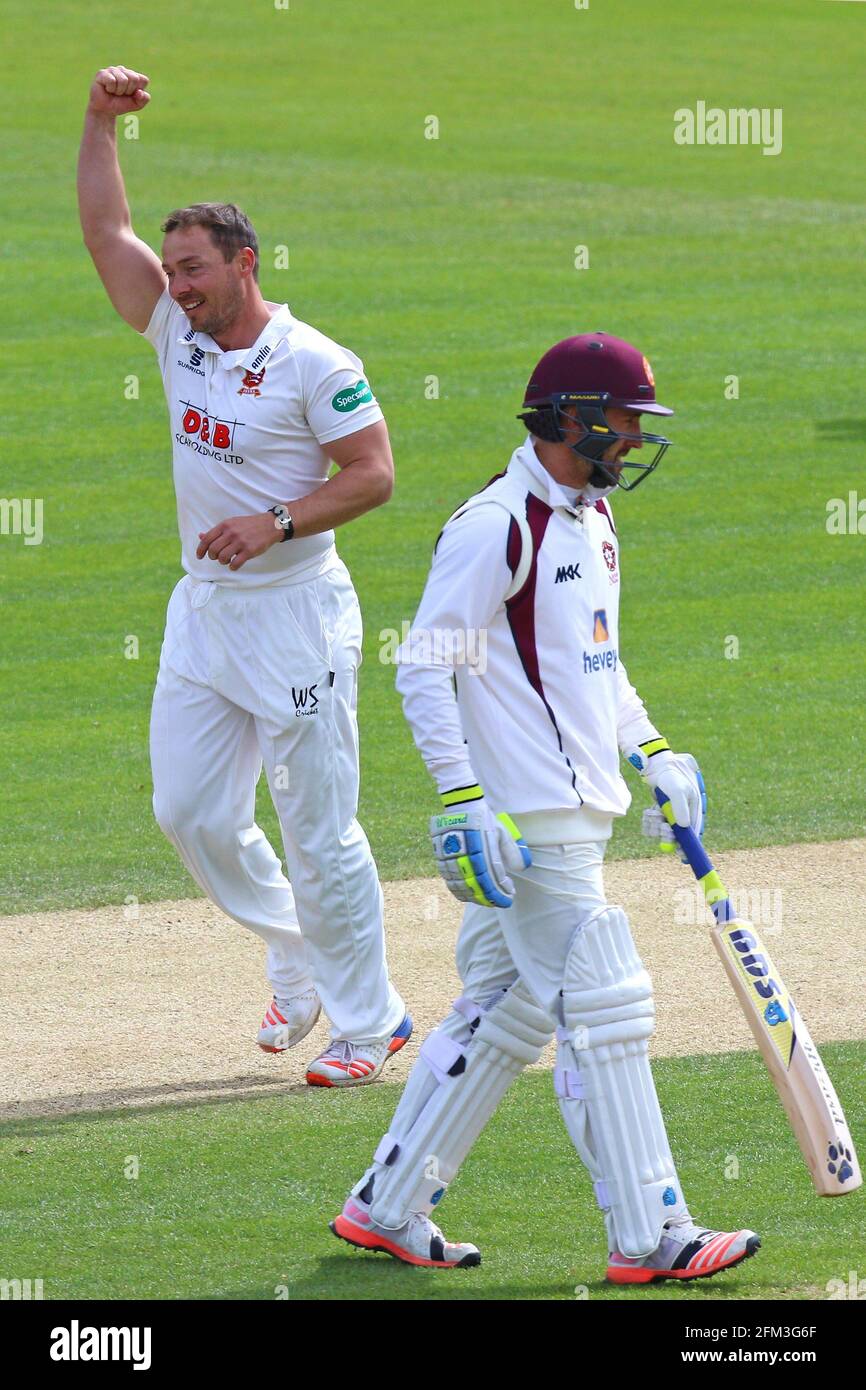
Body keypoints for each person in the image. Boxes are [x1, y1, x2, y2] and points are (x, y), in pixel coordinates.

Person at [329, 332, 761, 1280]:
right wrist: (462, 798)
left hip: (576, 812)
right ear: (572, 418)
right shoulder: (499, 526)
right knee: (606, 1003)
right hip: (526, 823)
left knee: (502, 1013)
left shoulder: (594, 520)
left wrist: (652, 749)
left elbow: (598, 668)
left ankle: (385, 1206)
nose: (637, 438)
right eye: (625, 420)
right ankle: (654, 1234)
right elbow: (423, 668)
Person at [77, 64, 410, 1087]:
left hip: (296, 614)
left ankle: (372, 1023)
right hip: (206, 611)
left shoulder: (317, 361)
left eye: (194, 269)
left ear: (244, 264)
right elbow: (104, 234)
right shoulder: (177, 336)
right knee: (190, 811)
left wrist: (274, 521)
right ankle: (299, 955)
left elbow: (374, 475)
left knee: (318, 826)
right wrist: (98, 121)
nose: (176, 285)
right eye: (171, 269)